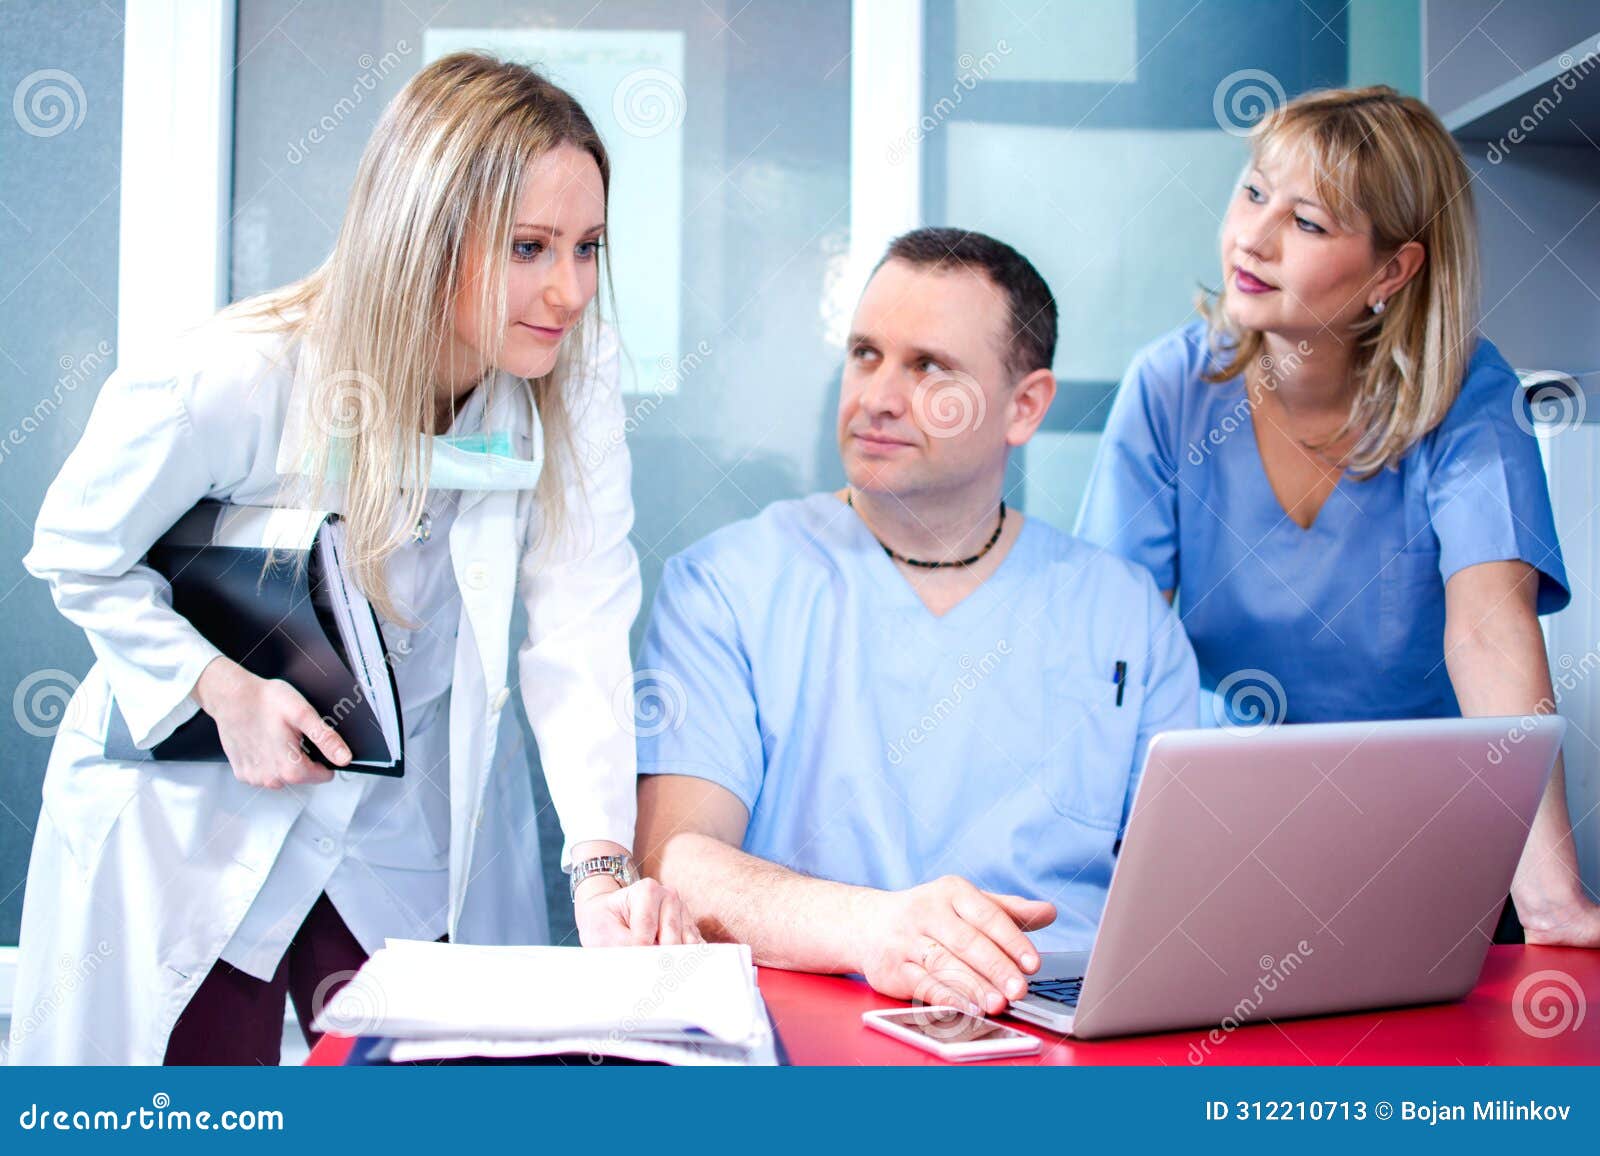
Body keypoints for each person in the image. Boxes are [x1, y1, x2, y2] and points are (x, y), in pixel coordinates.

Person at [9, 53, 696, 1067]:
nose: (568, 288)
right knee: (193, 1096)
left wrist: (599, 865)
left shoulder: (565, 390)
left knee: (416, 1084)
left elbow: (580, 623)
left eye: (589, 246)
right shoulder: (239, 375)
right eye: (529, 246)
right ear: (424, 236)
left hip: (390, 822)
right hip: (203, 817)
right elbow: (75, 548)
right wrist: (220, 690)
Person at [1076, 85, 1600, 947]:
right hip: (1220, 840)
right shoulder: (1171, 389)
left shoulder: (1469, 396)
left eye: (1308, 223)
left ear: (1393, 271)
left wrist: (1549, 900)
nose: (1253, 235)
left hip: (1419, 847)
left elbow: (1490, 631)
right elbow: (1113, 647)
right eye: (1253, 192)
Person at [633, 228, 1198, 1017]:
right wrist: (873, 929)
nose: (877, 397)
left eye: (929, 366)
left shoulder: (1126, 617)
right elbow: (675, 863)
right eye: (865, 354)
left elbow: (1192, 898)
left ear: (1025, 407)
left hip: (1066, 1050)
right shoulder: (727, 586)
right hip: (811, 1048)